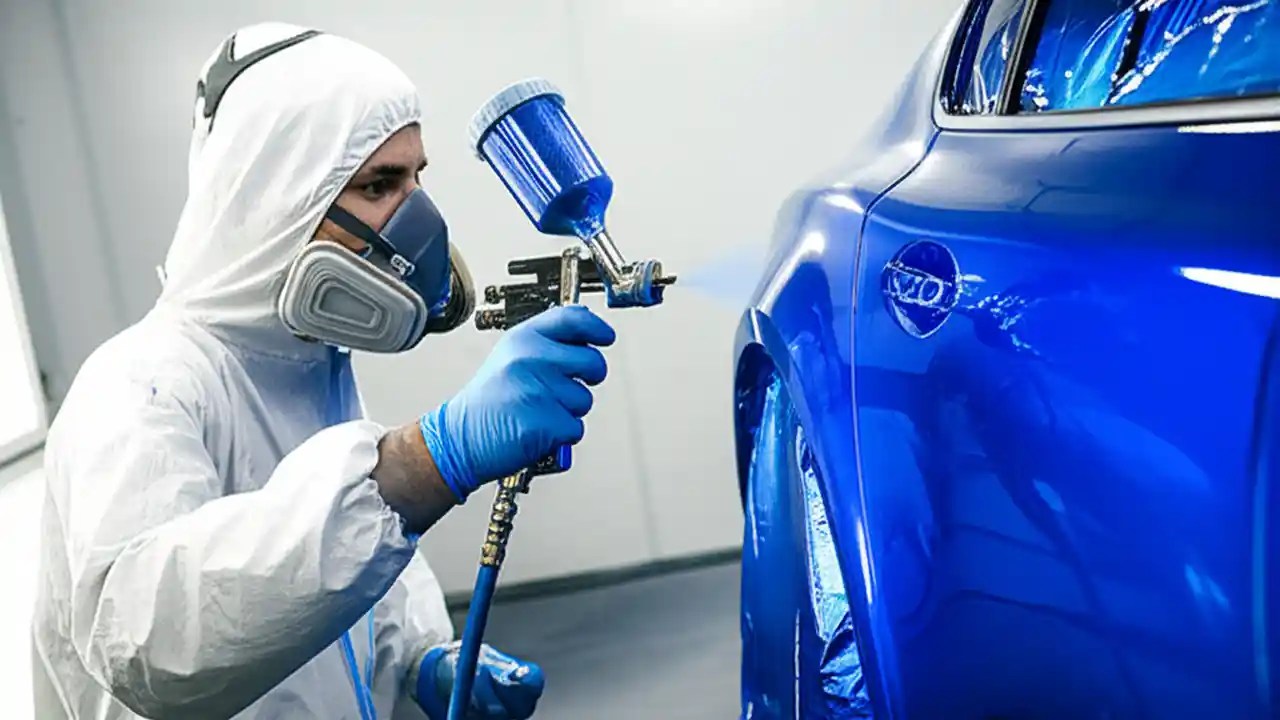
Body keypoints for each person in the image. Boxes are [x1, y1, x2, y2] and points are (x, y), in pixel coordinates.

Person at [30, 22, 615, 720]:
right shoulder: (138, 387)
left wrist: (424, 657)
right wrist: (424, 460)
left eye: (416, 178)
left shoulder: (311, 368)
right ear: (279, 200)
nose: (417, 219)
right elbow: (151, 644)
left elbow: (339, 590)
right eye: (380, 184)